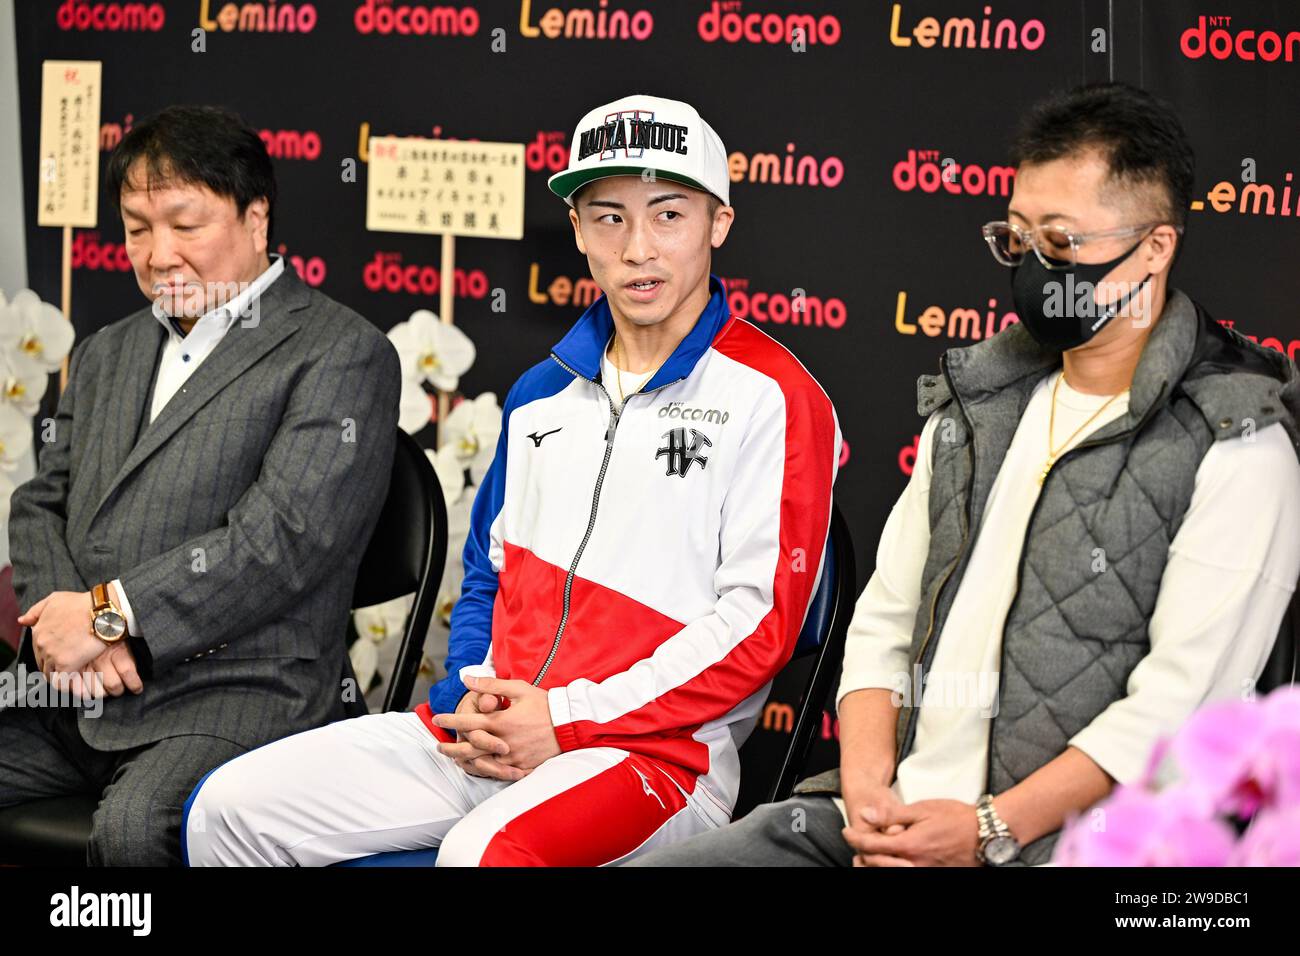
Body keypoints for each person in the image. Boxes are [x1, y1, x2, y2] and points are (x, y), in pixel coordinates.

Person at [626, 82, 1300, 868]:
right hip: (876, 826)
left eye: (1062, 243)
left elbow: (1175, 715)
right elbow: (883, 621)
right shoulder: (976, 406)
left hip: (1065, 852)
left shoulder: (1238, 444)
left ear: (1154, 247)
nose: (1036, 268)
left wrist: (987, 829)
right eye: (1018, 241)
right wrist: (872, 790)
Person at [183, 93, 842, 867]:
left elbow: (759, 627)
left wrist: (565, 720)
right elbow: (486, 571)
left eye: (669, 214)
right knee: (225, 811)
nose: (638, 248)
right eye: (608, 217)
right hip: (492, 734)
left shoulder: (777, 396)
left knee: (481, 856)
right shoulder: (539, 394)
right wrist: (475, 697)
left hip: (655, 760)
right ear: (577, 231)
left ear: (718, 222)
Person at [0, 105, 401, 865]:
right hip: (79, 691)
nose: (158, 256)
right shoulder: (107, 350)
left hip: (239, 693)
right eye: (137, 227)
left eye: (186, 224)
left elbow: (283, 542)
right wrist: (66, 631)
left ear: (257, 220)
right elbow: (39, 500)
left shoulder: (341, 352)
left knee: (134, 831)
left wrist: (112, 619)